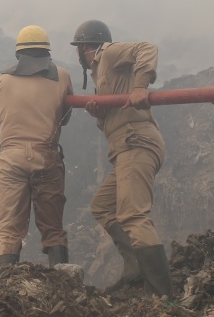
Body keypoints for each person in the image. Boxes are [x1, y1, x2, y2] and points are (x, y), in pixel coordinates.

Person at [71, 20, 172, 296]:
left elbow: (146, 48)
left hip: (135, 141)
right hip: (125, 145)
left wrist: (141, 86)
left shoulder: (109, 53)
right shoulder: (101, 72)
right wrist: (101, 114)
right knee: (103, 206)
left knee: (132, 214)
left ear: (85, 47)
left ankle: (164, 297)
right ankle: (135, 270)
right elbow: (115, 115)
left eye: (79, 49)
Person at [0, 26, 74, 268]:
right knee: (53, 228)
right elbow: (65, 117)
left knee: (8, 230)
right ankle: (62, 278)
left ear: (19, 54)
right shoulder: (62, 76)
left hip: (10, 160)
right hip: (45, 157)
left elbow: (2, 116)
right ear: (47, 52)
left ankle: (5, 281)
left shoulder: (2, 79)